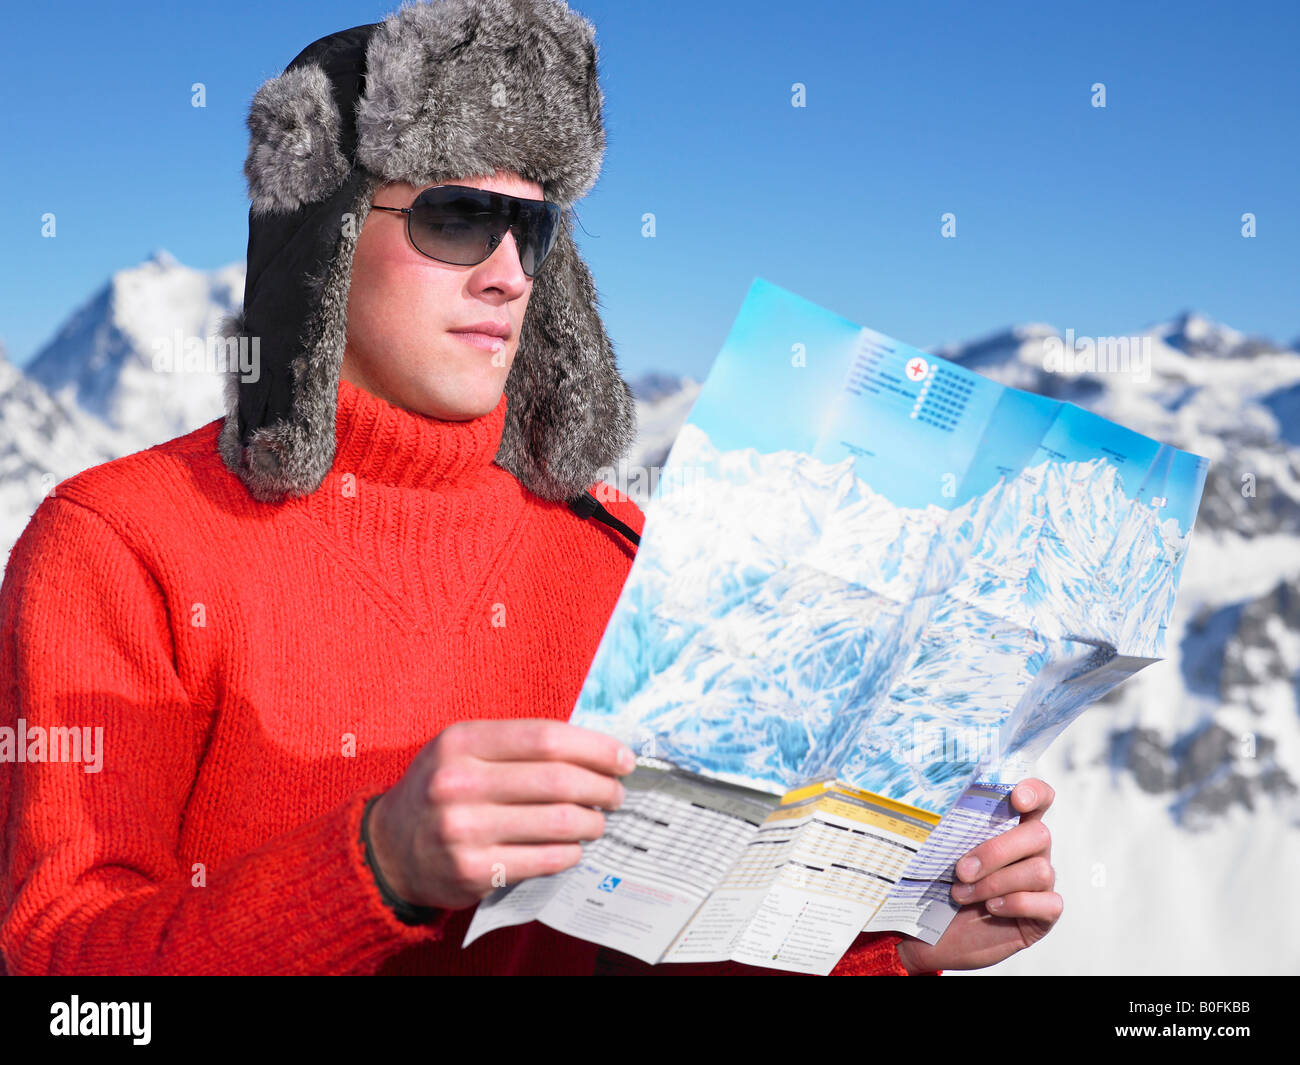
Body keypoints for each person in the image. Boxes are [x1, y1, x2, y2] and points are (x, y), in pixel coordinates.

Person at [0, 0, 1061, 976]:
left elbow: (652, 946)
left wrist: (890, 948)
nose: (508, 272)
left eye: (533, 228)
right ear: (319, 239)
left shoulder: (618, 556)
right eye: (457, 217)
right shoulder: (121, 545)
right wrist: (374, 868)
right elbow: (63, 980)